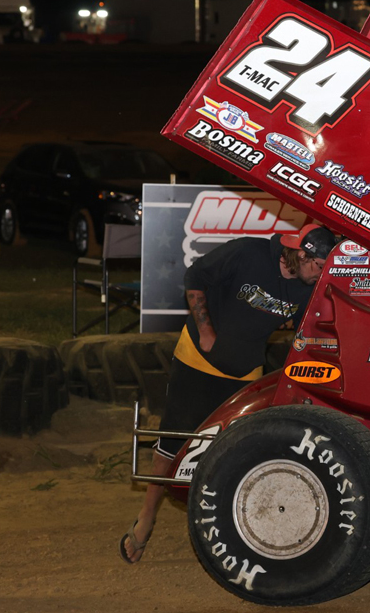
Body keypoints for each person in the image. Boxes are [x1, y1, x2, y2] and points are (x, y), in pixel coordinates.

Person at [119, 223, 337, 563]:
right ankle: (147, 515)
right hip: (196, 359)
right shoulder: (248, 252)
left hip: (246, 371)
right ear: (301, 254)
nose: (320, 274)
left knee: (236, 454)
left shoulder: (308, 287)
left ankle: (229, 528)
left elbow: (305, 334)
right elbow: (195, 276)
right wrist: (205, 330)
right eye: (319, 266)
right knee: (173, 441)